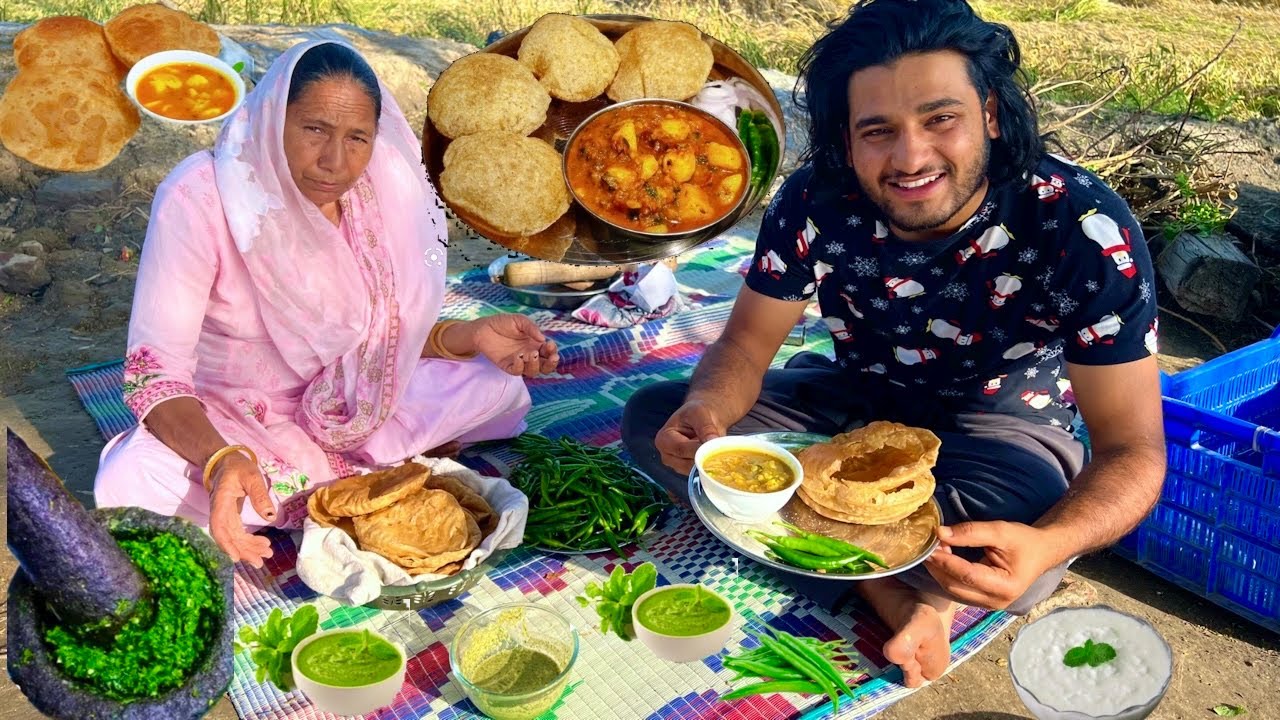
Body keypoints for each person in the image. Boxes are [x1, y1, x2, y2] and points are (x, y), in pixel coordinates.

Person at [622, 0, 1165, 689]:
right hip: (851, 408)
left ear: (991, 114)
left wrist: (1050, 544)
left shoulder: (1081, 224)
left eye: (941, 119)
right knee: (657, 422)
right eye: (877, 131)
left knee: (1026, 540)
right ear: (846, 140)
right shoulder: (814, 200)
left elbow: (1133, 449)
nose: (911, 158)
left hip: (1001, 436)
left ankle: (892, 570)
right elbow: (747, 348)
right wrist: (708, 409)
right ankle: (898, 594)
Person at [95, 40, 559, 569]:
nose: (335, 162)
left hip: (358, 399)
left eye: (357, 137)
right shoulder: (201, 197)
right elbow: (156, 376)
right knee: (129, 481)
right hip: (237, 417)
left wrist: (471, 337)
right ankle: (365, 473)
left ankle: (346, 477)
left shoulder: (378, 194)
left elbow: (387, 340)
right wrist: (220, 459)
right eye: (314, 129)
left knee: (498, 383)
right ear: (273, 118)